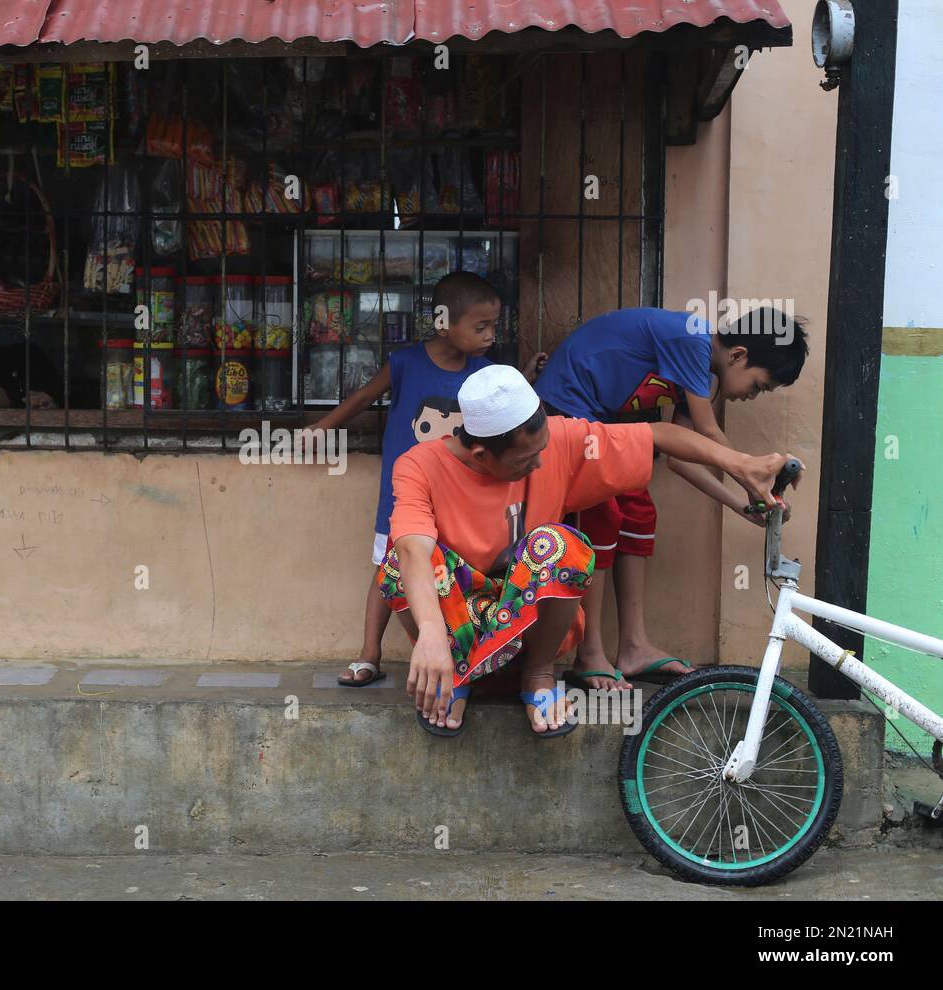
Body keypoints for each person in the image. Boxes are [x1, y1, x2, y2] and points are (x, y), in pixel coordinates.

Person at [382, 364, 799, 736]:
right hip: (459, 626)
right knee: (395, 567)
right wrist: (433, 635)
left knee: (565, 546)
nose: (540, 464)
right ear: (480, 454)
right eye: (526, 460)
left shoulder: (561, 441)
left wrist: (741, 464)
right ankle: (455, 675)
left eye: (542, 449)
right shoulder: (418, 465)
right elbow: (414, 548)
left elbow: (661, 435)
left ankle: (539, 676)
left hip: (530, 624)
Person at [531, 306, 809, 691]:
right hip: (567, 413)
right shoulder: (691, 342)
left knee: (639, 513)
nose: (751, 395)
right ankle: (590, 652)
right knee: (601, 514)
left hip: (603, 427)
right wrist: (753, 479)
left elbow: (681, 457)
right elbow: (709, 435)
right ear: (738, 355)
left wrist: (742, 506)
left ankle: (633, 647)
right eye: (758, 385)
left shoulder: (699, 371)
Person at [308, 272, 541, 687]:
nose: (491, 335)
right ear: (443, 323)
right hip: (406, 493)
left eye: (494, 326)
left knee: (452, 574)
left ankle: (464, 656)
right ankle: (370, 653)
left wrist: (524, 376)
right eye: (480, 326)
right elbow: (363, 397)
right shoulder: (405, 363)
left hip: (459, 498)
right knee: (387, 568)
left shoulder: (485, 374)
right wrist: (322, 427)